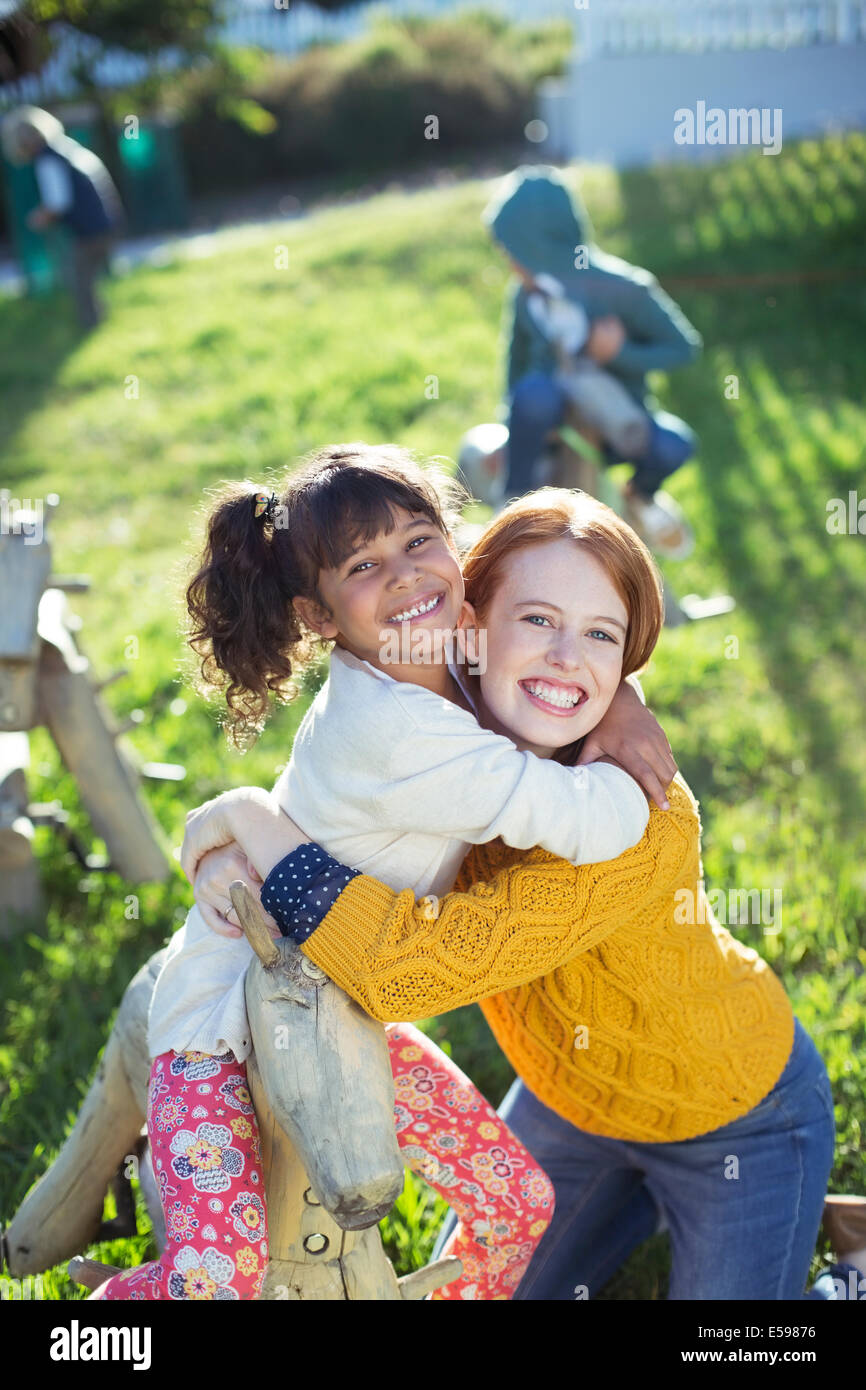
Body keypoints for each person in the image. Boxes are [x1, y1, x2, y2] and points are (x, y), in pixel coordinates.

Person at [186, 488, 863, 1300]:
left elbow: (406, 974)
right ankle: (632, 1203)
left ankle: (848, 1267)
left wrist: (249, 819)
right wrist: (245, 848)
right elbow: (353, 778)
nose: (566, 660)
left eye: (601, 637)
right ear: (469, 622)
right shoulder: (448, 742)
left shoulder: (633, 824)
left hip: (733, 1114)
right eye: (536, 620)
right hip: (569, 1098)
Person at [93, 443, 672, 1301]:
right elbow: (590, 823)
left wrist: (619, 691)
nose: (404, 576)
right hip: (220, 1027)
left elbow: (552, 646)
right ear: (319, 617)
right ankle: (109, 1319)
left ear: (453, 542)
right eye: (364, 565)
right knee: (218, 1279)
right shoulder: (391, 730)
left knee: (514, 1204)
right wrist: (629, 767)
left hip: (350, 1013)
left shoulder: (448, 651)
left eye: (417, 540)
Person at [484, 165, 702, 554]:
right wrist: (509, 429)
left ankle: (639, 494)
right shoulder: (523, 295)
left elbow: (683, 348)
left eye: (516, 253)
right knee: (533, 392)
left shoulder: (622, 288)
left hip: (618, 422)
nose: (512, 265)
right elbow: (514, 365)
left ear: (543, 247)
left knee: (675, 445)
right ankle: (512, 503)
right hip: (552, 424)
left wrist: (620, 353)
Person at [0, 105, 124, 329]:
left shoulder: (48, 159)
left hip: (90, 229)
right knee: (87, 278)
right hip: (105, 222)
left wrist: (39, 218)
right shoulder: (66, 147)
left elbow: (57, 202)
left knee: (79, 280)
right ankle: (99, 321)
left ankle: (91, 326)